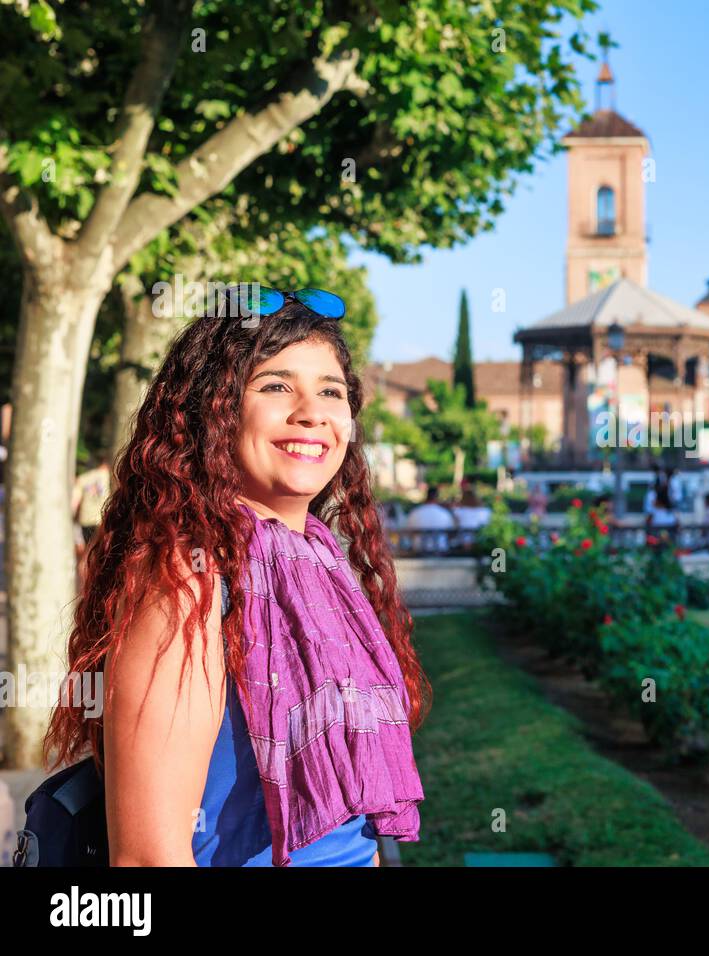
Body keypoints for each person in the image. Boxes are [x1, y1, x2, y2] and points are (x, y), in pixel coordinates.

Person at [44, 289, 429, 867]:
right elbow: (149, 858)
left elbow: (355, 834)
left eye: (332, 391)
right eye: (276, 386)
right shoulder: (191, 581)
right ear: (214, 409)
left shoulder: (329, 571)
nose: (312, 411)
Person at [71, 453, 112, 583]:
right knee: (98, 554)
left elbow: (74, 502)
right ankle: (92, 580)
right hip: (100, 520)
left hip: (85, 519)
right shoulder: (109, 476)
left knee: (84, 554)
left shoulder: (83, 478)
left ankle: (83, 581)